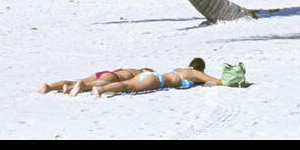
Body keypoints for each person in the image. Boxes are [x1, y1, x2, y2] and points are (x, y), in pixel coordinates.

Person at [92, 58, 223, 97]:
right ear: (200, 68)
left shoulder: (180, 69)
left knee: (128, 84)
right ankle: (101, 89)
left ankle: (101, 87)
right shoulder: (195, 73)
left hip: (152, 75)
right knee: (128, 86)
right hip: (157, 81)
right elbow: (217, 81)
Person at [38, 67, 152, 95]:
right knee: (89, 84)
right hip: (114, 77)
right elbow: (129, 84)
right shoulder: (138, 74)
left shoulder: (129, 69)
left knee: (74, 81)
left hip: (104, 72)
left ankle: (49, 87)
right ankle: (82, 85)